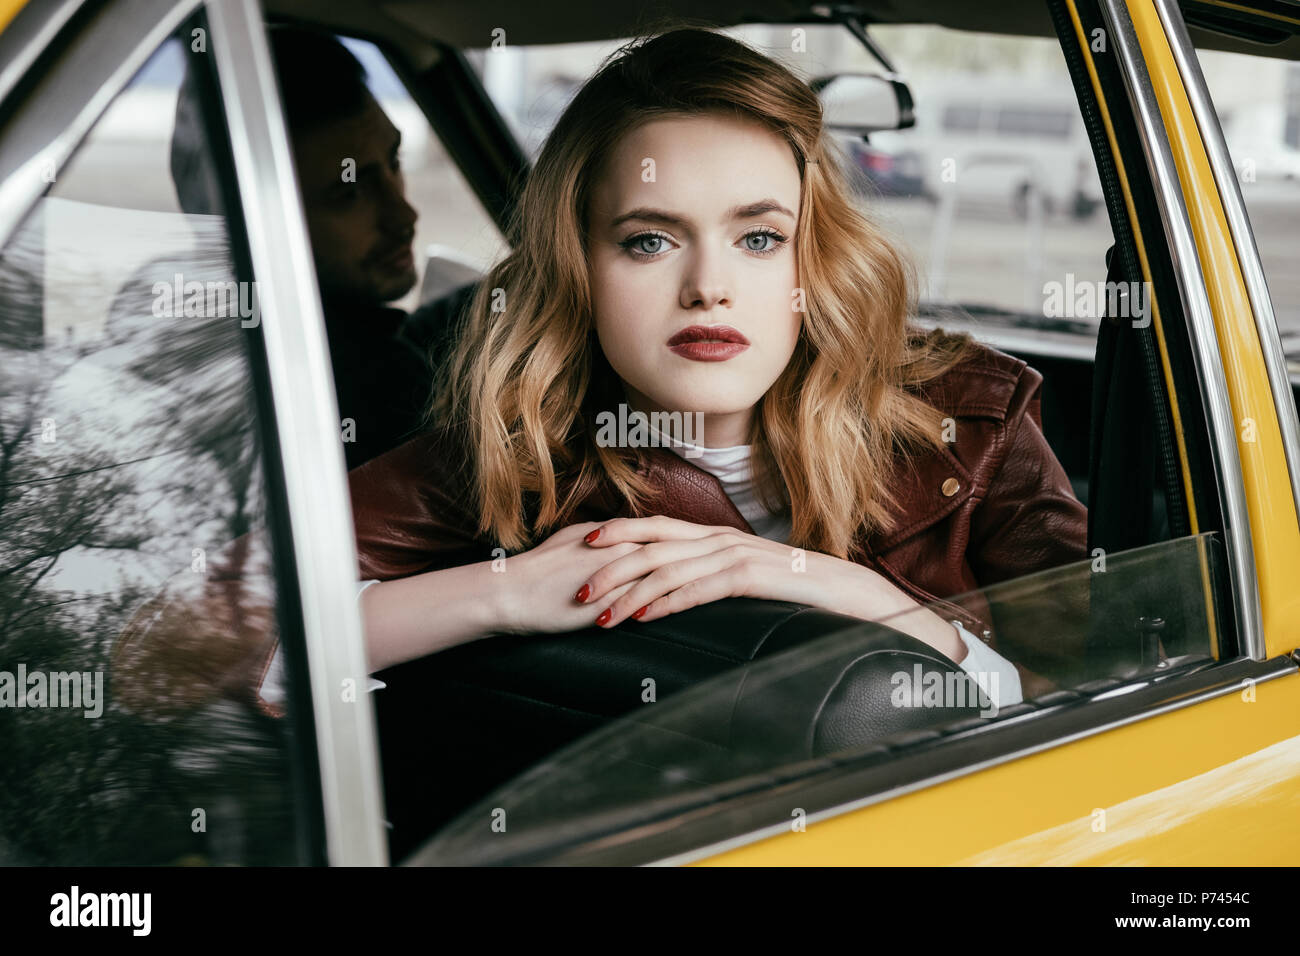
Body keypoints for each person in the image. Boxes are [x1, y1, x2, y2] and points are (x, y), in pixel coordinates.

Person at [116, 27, 1088, 734]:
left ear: (811, 260)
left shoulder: (967, 417)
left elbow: (1108, 719)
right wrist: (503, 591)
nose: (708, 285)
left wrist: (851, 593)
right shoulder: (511, 450)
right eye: (649, 238)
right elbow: (157, 656)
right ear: (579, 262)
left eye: (758, 236)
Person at [265, 27, 473, 469]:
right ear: (267, 217)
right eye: (348, 194)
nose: (404, 216)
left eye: (394, 162)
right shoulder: (378, 386)